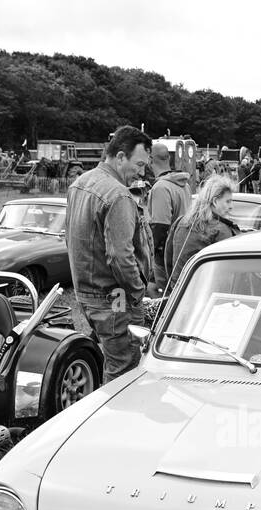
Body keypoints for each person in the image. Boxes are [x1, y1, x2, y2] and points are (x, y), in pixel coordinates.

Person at [65, 125, 153, 382]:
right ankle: (114, 420)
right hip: (115, 301)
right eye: (138, 164)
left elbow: (70, 240)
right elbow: (121, 257)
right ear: (120, 156)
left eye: (145, 166)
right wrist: (137, 292)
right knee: (124, 375)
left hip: (87, 297)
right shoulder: (118, 195)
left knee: (111, 361)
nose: (142, 172)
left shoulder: (78, 185)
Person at [164, 174, 240, 283]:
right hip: (208, 292)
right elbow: (230, 272)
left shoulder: (182, 222)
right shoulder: (221, 230)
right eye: (228, 201)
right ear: (215, 201)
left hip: (181, 290)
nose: (231, 206)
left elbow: (169, 260)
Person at [146, 142, 191, 284]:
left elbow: (160, 226)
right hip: (182, 248)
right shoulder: (185, 185)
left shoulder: (161, 187)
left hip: (165, 255)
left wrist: (148, 252)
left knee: (163, 298)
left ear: (150, 160)